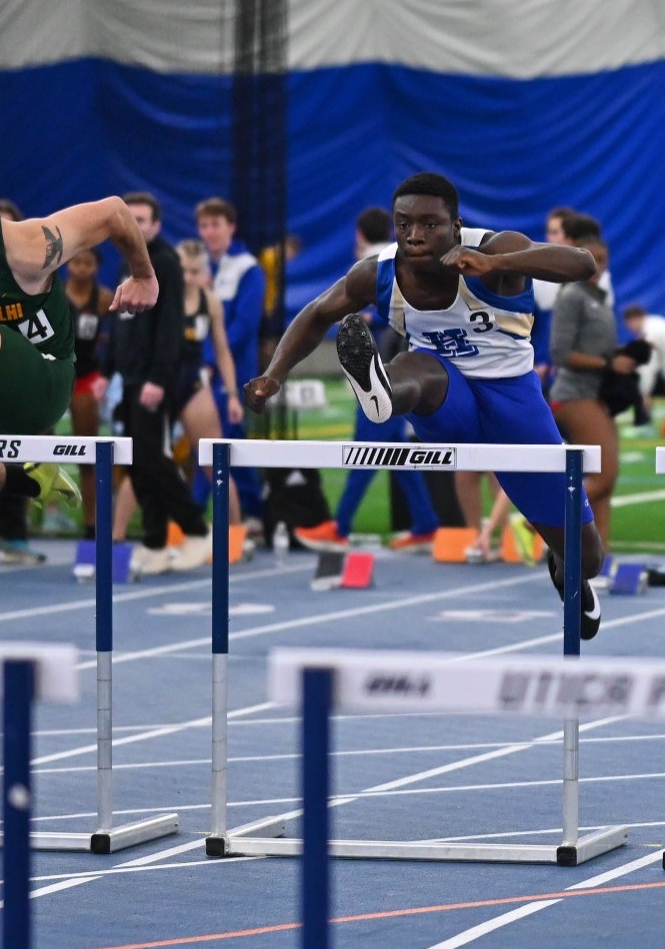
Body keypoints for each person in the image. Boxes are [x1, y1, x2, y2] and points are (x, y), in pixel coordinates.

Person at [243, 172, 605, 638]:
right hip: (443, 397)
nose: (415, 235)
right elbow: (316, 313)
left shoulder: (495, 249)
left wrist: (496, 265)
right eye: (404, 223)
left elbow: (581, 263)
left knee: (587, 557)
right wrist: (274, 373)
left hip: (513, 403)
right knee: (417, 362)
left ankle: (564, 566)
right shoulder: (378, 273)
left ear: (456, 226)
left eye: (430, 224)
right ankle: (382, 393)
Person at [293, 208, 440, 555]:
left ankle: (341, 526)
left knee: (367, 446)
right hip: (400, 366)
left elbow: (388, 314)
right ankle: (426, 524)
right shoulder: (399, 258)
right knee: (395, 453)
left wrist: (365, 317)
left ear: (358, 235)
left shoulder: (372, 263)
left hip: (380, 369)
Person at [107, 193, 212, 573]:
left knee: (153, 458)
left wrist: (158, 379)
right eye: (129, 219)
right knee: (137, 462)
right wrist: (108, 372)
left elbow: (170, 328)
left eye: (142, 220)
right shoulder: (128, 261)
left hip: (154, 379)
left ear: (156, 225)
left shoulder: (164, 263)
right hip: (129, 377)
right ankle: (153, 541)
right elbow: (121, 323)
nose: (134, 226)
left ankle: (196, 529)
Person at [546, 214, 625, 543]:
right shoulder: (572, 296)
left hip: (596, 394)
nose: (600, 266)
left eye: (604, 260)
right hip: (573, 394)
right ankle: (548, 519)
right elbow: (560, 352)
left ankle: (600, 556)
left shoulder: (599, 299)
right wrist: (607, 364)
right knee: (604, 477)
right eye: (593, 260)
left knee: (602, 480)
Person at [195, 198, 265, 522]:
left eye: (215, 224)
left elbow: (243, 326)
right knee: (226, 440)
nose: (209, 232)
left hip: (234, 372)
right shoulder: (199, 266)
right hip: (199, 368)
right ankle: (254, 511)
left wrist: (209, 361)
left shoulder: (248, 269)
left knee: (216, 441)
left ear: (231, 227)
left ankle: (193, 517)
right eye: (204, 225)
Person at [173, 240, 243, 516]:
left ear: (205, 274)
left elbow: (223, 351)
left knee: (215, 464)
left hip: (192, 383)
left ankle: (236, 537)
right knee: (147, 463)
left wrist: (233, 395)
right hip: (159, 384)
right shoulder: (161, 297)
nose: (187, 278)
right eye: (182, 270)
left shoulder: (210, 302)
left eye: (193, 271)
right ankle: (116, 541)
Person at [64, 249, 113, 540]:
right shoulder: (54, 295)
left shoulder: (105, 298)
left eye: (88, 263)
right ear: (68, 264)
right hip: (58, 374)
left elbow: (118, 332)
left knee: (88, 453)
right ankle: (35, 509)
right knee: (37, 447)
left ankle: (91, 522)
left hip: (86, 377)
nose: (81, 268)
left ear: (96, 267)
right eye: (76, 262)